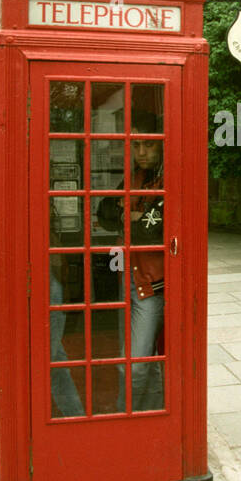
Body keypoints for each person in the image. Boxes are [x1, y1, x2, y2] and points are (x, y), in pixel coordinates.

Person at [96, 137, 165, 412]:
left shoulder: (168, 180)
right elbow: (103, 211)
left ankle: (127, 416)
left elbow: (148, 231)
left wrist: (135, 217)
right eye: (135, 146)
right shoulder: (135, 178)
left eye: (148, 145)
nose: (141, 152)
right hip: (130, 277)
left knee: (135, 365)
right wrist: (133, 216)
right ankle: (147, 414)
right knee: (138, 359)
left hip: (151, 285)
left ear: (162, 145)